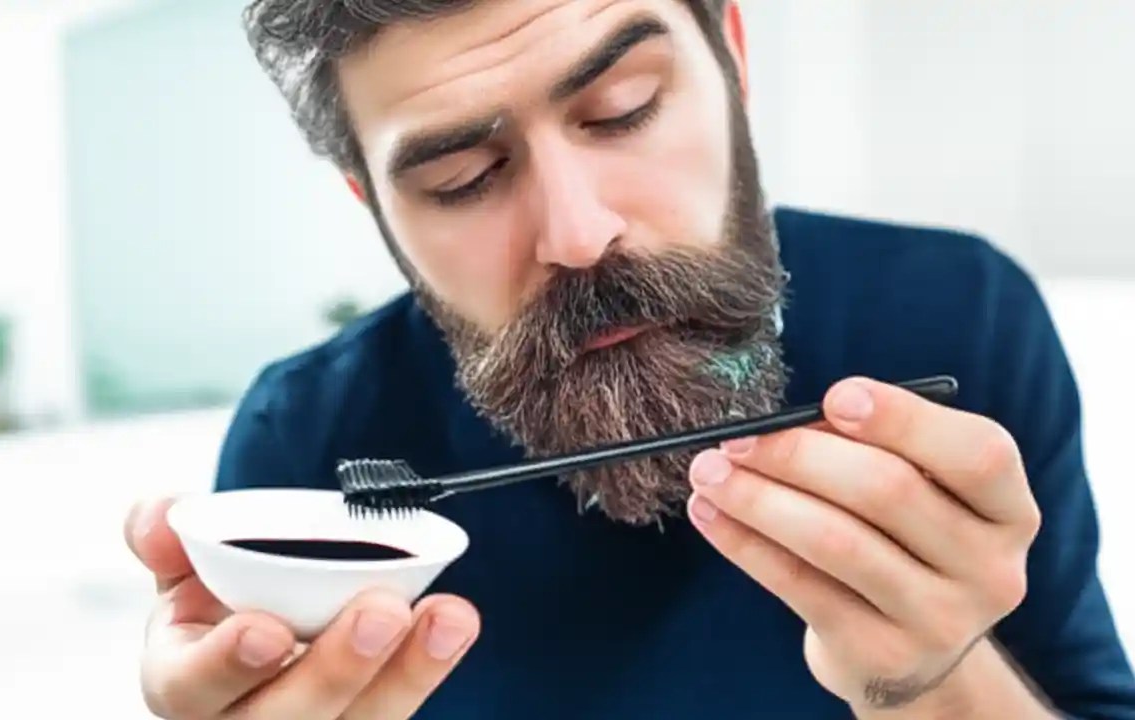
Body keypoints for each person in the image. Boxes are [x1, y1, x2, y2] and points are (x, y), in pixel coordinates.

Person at [123, 0, 1135, 717]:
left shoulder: (955, 314)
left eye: (622, 109)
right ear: (374, 209)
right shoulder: (309, 442)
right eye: (462, 177)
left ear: (730, 54)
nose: (575, 231)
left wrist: (924, 680)